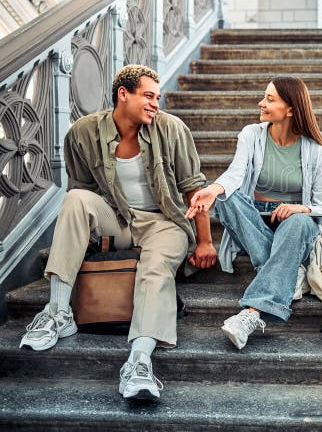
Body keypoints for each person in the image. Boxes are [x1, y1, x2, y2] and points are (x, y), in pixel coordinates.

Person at [19, 64, 217, 401]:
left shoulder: (172, 129)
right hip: (117, 219)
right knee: (75, 199)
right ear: (123, 94)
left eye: (158, 96)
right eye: (148, 96)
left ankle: (139, 361)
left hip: (164, 222)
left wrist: (205, 241)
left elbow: (193, 189)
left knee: (155, 268)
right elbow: (84, 192)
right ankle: (57, 313)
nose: (156, 103)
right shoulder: (82, 133)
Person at [186, 76, 322, 350]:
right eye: (264, 97)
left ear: (291, 109)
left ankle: (250, 315)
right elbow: (235, 173)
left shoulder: (316, 151)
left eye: (270, 99)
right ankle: (284, 271)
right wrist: (214, 189)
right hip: (255, 220)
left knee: (300, 221)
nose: (261, 103)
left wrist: (299, 207)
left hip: (294, 225)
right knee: (228, 199)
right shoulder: (251, 135)